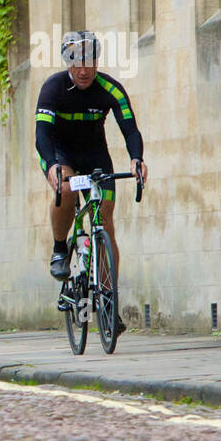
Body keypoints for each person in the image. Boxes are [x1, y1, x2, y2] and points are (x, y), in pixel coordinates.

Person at [37, 30, 147, 336]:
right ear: (66, 62)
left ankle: (108, 298)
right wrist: (53, 166)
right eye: (77, 61)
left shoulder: (110, 88)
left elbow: (130, 129)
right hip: (61, 154)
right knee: (67, 189)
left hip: (96, 156)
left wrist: (136, 159)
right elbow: (41, 135)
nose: (84, 69)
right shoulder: (53, 88)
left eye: (90, 60)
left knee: (106, 223)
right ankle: (61, 249)